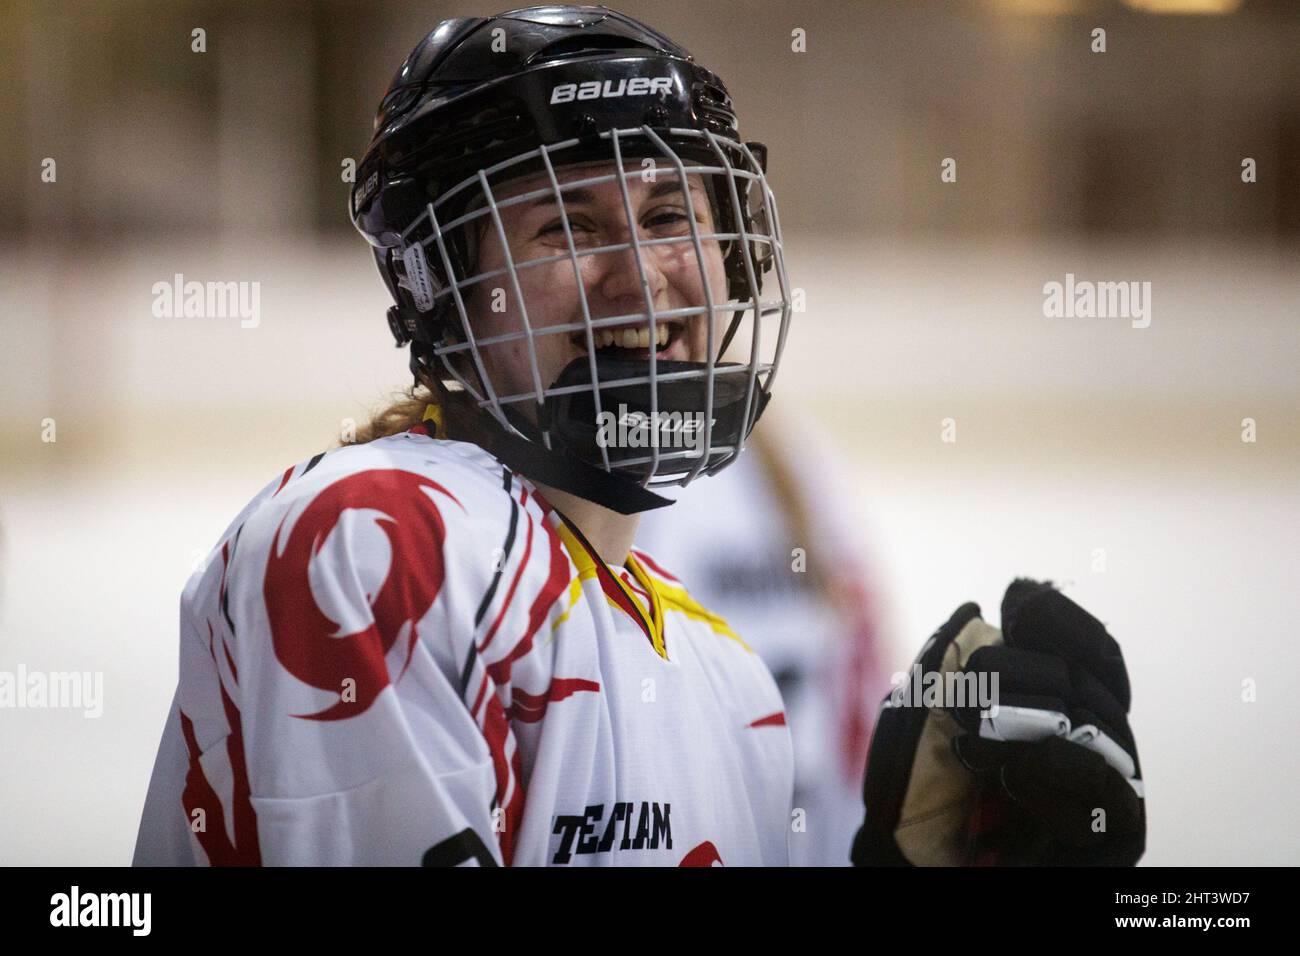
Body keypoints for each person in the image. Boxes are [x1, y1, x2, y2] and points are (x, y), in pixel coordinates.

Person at [133, 5, 795, 866]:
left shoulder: (739, 690)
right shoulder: (375, 542)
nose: (639, 279)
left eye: (670, 216)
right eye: (568, 227)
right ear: (446, 288)